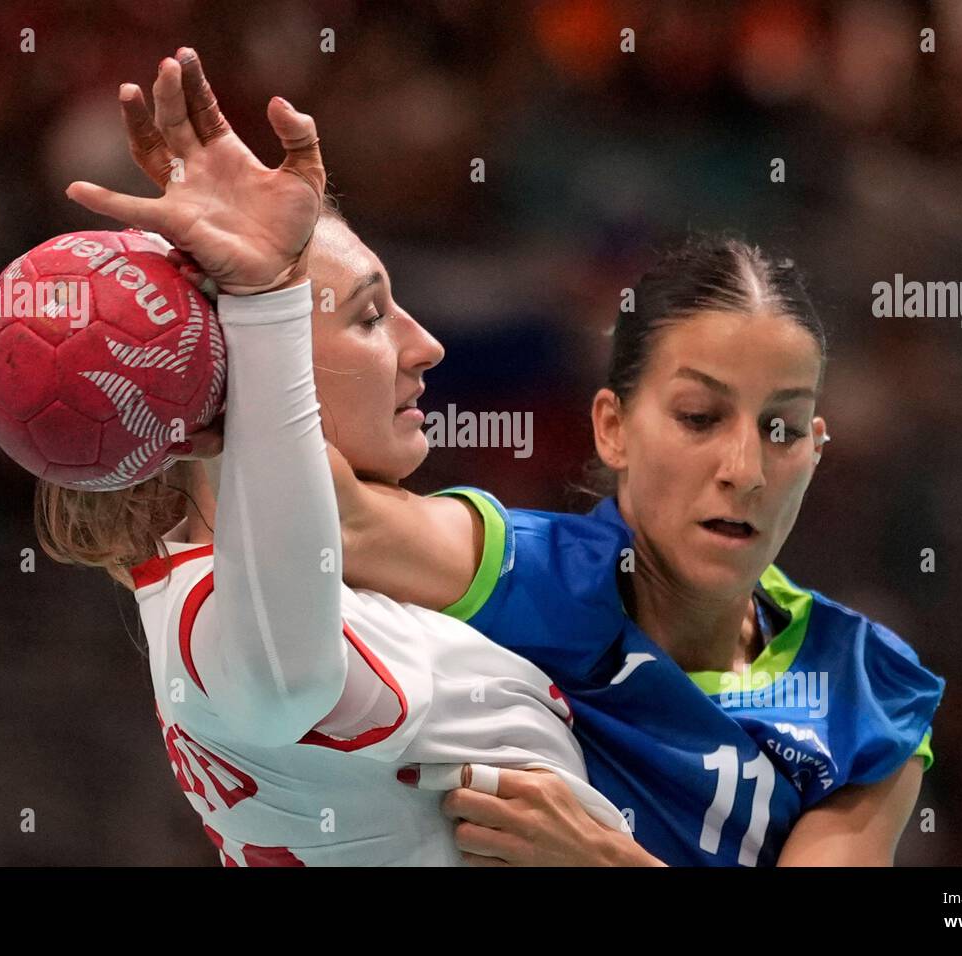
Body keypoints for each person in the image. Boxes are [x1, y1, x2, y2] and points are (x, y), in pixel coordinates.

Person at [112, 51, 943, 866]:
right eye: (698, 416)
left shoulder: (865, 688)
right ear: (611, 427)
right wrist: (239, 303)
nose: (744, 469)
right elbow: (305, 510)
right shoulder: (527, 574)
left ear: (817, 449)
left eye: (783, 429)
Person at [42, 48, 652, 867]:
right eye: (370, 318)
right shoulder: (217, 628)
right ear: (247, 369)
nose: (426, 345)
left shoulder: (253, 594)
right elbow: (282, 682)